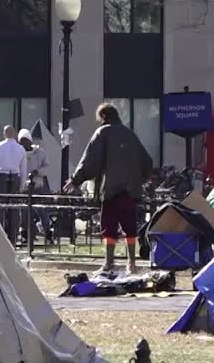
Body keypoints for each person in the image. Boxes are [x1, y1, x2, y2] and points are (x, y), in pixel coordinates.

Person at [63, 102, 154, 275]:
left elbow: (90, 160)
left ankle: (109, 263)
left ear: (103, 116)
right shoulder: (130, 134)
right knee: (130, 227)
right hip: (130, 191)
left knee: (109, 228)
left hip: (110, 190)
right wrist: (139, 180)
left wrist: (75, 180)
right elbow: (147, 162)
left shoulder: (102, 133)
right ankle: (132, 263)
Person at [0, 125, 28, 242]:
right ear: (14, 134)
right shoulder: (21, 149)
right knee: (14, 209)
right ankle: (12, 238)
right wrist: (22, 184)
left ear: (4, 134)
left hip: (1, 176)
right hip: (15, 176)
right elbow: (23, 168)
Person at [18, 128, 54, 244]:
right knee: (24, 212)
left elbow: (48, 167)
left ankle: (48, 234)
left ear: (30, 140)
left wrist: (38, 172)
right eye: (21, 141)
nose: (24, 143)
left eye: (25, 140)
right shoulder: (19, 153)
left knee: (42, 210)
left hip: (38, 186)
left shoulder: (40, 152)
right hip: (24, 186)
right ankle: (25, 235)